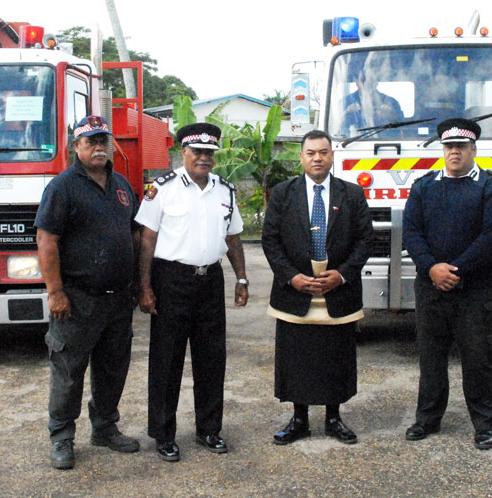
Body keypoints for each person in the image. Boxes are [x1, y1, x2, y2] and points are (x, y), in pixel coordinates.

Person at [135, 122, 249, 462]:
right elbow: (146, 240)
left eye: (209, 153)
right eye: (197, 152)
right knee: (166, 361)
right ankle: (163, 434)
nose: (204, 158)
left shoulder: (224, 190)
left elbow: (233, 238)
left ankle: (209, 430)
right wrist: (144, 286)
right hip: (171, 280)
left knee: (212, 359)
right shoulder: (162, 189)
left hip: (210, 280)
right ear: (182, 152)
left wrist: (241, 278)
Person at [34, 115, 141, 470]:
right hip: (76, 299)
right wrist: (55, 291)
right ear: (75, 147)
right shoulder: (61, 187)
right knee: (68, 370)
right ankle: (62, 436)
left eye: (103, 141)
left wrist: (141, 285)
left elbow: (136, 236)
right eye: (90, 142)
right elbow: (47, 241)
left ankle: (105, 428)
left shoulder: (122, 185)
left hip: (118, 298)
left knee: (113, 369)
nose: (98, 148)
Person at [402, 118, 492, 450]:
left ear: (473, 150)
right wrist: (432, 267)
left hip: (475, 291)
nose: (454, 153)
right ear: (443, 150)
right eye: (449, 147)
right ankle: (427, 419)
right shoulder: (424, 187)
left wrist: (456, 270)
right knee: (430, 358)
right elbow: (411, 232)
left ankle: (485, 423)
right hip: (431, 288)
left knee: (478, 358)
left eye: (461, 147)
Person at [261, 129, 374, 445]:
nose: (317, 158)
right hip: (295, 289)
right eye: (310, 152)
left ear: (332, 156)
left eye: (323, 152)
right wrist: (290, 276)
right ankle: (299, 420)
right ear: (301, 157)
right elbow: (270, 241)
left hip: (337, 289)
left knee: (335, 356)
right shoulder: (284, 193)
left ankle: (334, 418)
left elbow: (366, 240)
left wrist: (342, 275)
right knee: (296, 357)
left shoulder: (351, 194)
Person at [340, 74, 404, 134]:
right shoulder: (345, 102)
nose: (367, 84)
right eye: (363, 80)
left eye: (371, 80)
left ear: (376, 83)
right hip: (351, 142)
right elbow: (336, 126)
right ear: (357, 83)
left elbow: (403, 127)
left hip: (386, 142)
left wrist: (390, 115)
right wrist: (347, 113)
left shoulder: (391, 102)